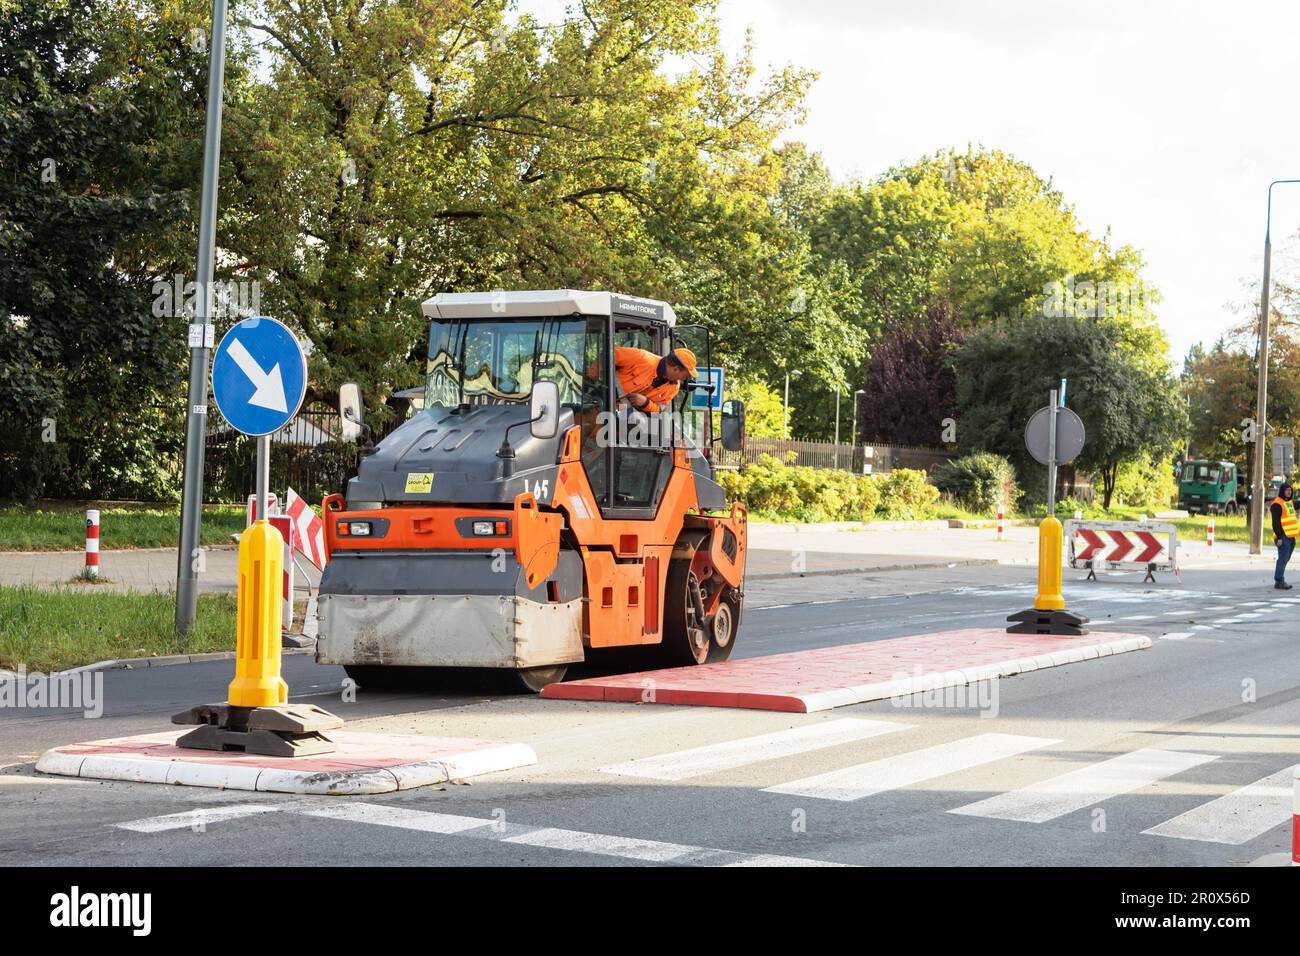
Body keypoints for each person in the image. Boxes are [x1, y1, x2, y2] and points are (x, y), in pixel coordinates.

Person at [613, 346, 697, 413]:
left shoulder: (674, 387)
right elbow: (607, 355)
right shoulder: (641, 357)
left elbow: (659, 409)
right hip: (602, 396)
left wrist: (645, 403)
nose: (684, 379)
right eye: (685, 375)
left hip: (617, 411)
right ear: (676, 369)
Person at [1270, 482, 1297, 589]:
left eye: (1290, 490)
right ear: (1282, 491)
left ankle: (1279, 579)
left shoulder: (1289, 502)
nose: (1289, 492)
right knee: (1282, 558)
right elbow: (1275, 523)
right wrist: (1279, 537)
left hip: (1291, 536)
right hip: (1282, 537)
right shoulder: (1277, 504)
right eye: (1287, 490)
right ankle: (1279, 580)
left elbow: (1297, 504)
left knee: (1285, 558)